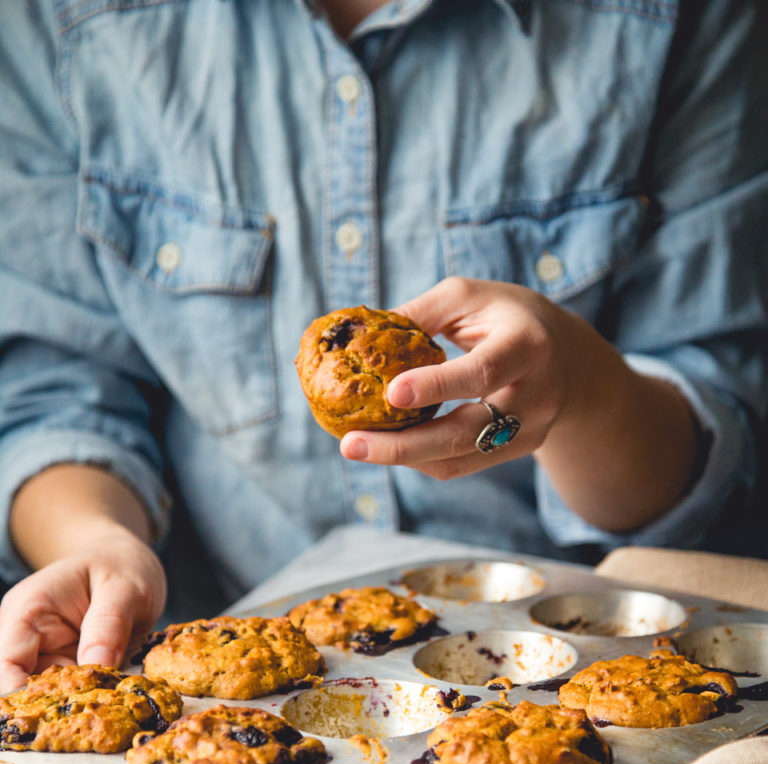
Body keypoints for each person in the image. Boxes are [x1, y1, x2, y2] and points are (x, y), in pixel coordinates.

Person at [0, 0, 766, 694]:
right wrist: (96, 540)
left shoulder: (680, 19)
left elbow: (719, 455)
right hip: (235, 663)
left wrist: (584, 390)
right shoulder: (63, 20)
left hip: (584, 651)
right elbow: (59, 377)